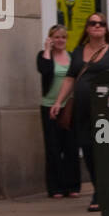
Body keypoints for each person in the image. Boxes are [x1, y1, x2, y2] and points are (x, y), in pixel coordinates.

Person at [50, 13, 109, 212]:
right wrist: (59, 102)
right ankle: (99, 188)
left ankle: (101, 193)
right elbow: (70, 78)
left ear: (106, 29)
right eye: (92, 23)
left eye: (101, 24)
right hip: (82, 111)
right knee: (87, 149)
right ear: (87, 28)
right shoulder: (77, 52)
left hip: (105, 113)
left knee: (101, 149)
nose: (97, 26)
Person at [37, 24, 81, 198]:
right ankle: (55, 188)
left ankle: (73, 186)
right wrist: (47, 50)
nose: (60, 40)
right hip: (49, 106)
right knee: (53, 148)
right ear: (50, 39)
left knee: (71, 147)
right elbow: (44, 71)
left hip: (69, 107)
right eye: (56, 37)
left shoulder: (72, 57)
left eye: (63, 37)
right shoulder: (43, 57)